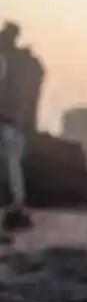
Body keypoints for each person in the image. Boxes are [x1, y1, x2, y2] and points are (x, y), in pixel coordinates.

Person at [0, 21, 35, 234]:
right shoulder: (17, 61)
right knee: (11, 168)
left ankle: (14, 210)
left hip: (9, 124)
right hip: (10, 123)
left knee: (11, 168)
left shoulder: (14, 61)